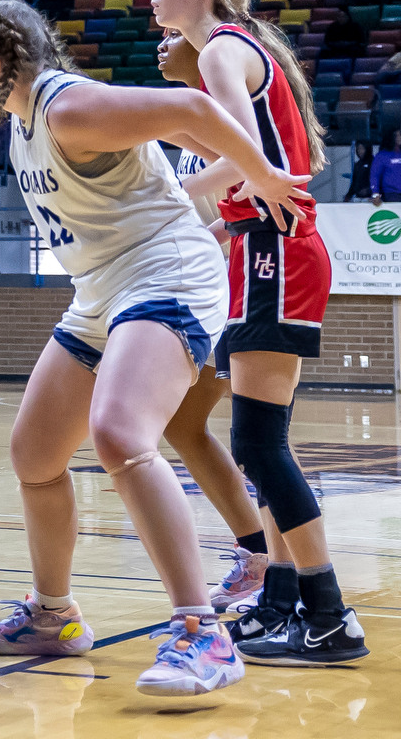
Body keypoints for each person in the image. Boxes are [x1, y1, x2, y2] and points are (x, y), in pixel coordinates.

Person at [0, 0, 315, 697]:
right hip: (103, 292)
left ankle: (201, 633)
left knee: (121, 434)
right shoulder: (23, 120)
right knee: (34, 453)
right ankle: (54, 615)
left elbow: (194, 110)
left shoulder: (66, 106)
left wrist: (261, 174)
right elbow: (179, 146)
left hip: (168, 275)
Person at [148, 0, 363, 667]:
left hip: (277, 248)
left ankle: (330, 614)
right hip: (259, 248)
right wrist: (207, 217)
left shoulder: (221, 50)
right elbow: (241, 158)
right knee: (256, 443)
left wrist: (170, 202)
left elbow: (242, 149)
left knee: (257, 444)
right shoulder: (234, 52)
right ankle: (279, 602)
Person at [153, 31, 281, 616]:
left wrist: (205, 236)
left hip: (245, 275)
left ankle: (284, 568)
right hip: (210, 281)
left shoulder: (230, 105)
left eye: (171, 38)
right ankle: (260, 555)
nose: (160, 44)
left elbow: (258, 190)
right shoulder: (189, 114)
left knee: (258, 437)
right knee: (184, 423)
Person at [368, 131, 401, 202]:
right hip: (392, 193)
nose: (399, 138)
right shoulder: (382, 155)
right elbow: (375, 175)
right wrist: (375, 193)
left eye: (400, 135)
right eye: (396, 136)